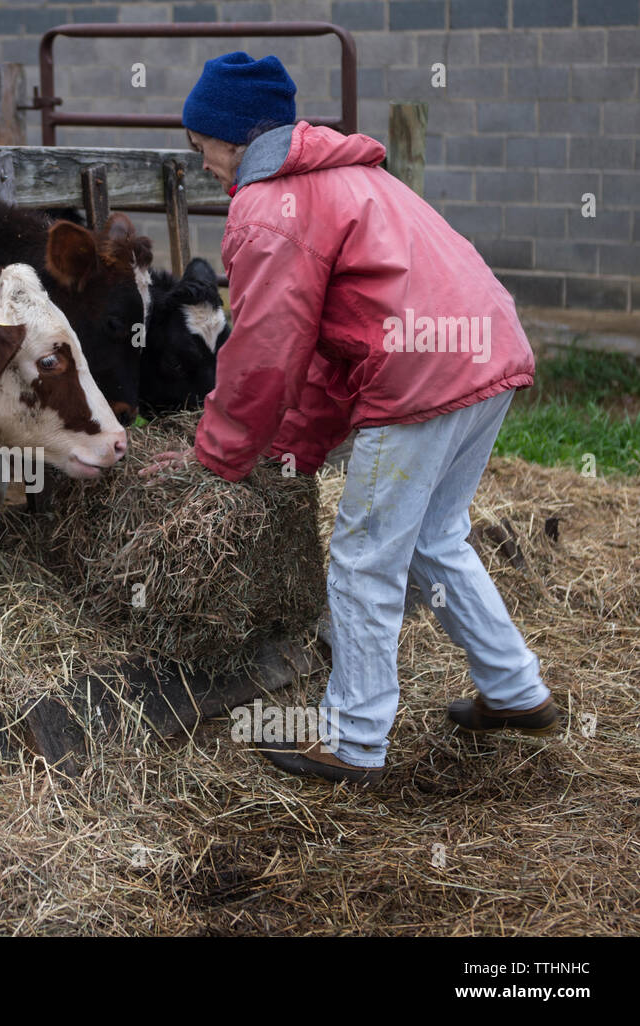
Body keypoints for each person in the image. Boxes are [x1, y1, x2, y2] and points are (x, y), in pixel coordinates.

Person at [142, 51, 559, 785]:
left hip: (424, 375)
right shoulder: (352, 178)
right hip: (488, 353)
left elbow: (266, 352)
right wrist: (294, 447)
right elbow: (332, 352)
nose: (200, 159)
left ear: (234, 137)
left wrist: (216, 458)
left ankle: (355, 740)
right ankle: (515, 690)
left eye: (200, 141)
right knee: (436, 537)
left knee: (365, 558)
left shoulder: (269, 207)